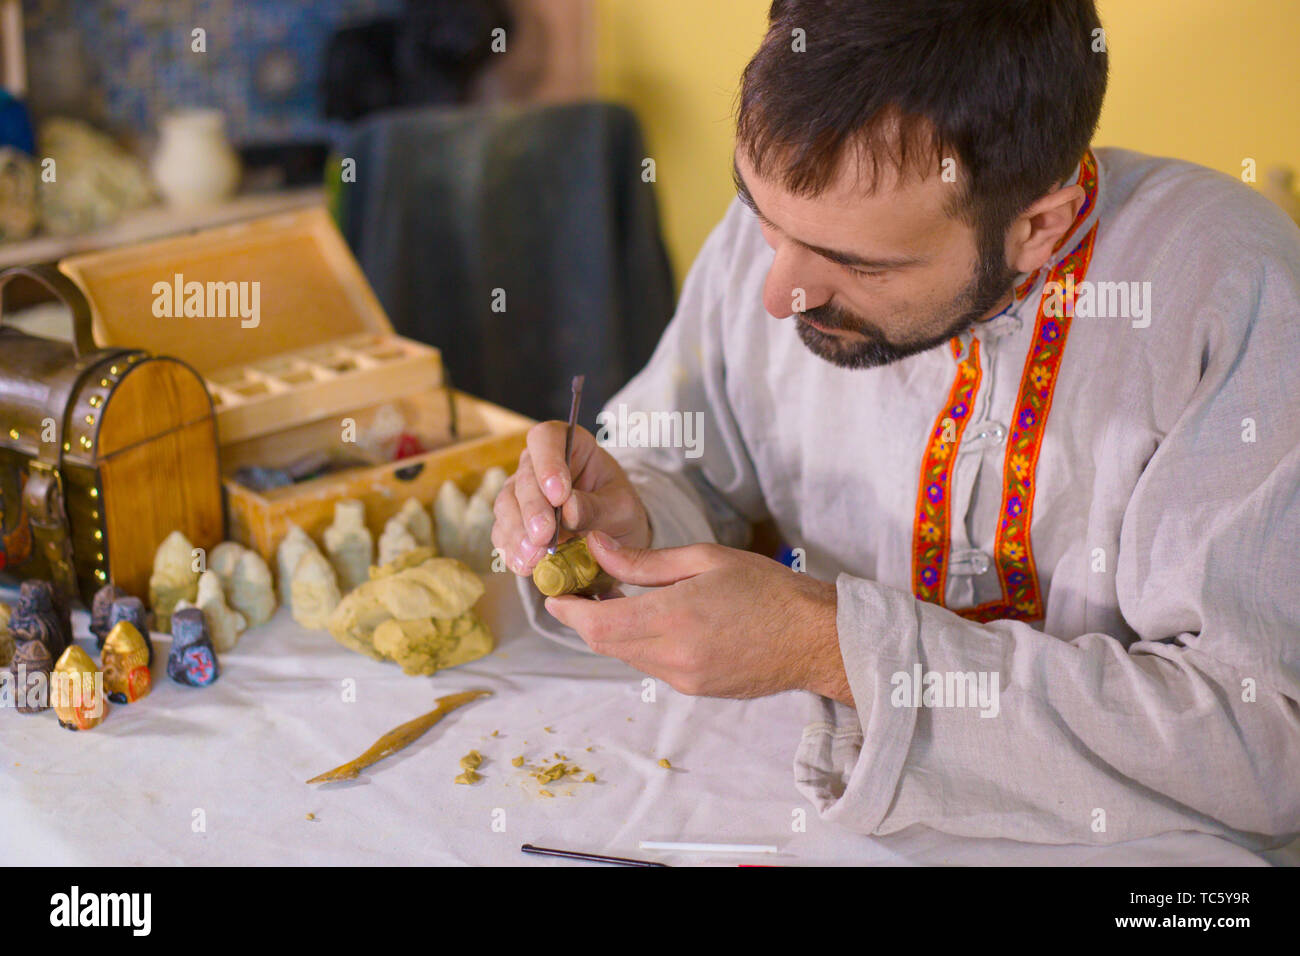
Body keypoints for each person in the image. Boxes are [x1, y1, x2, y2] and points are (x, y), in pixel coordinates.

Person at [491, 0, 1300, 847]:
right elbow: (682, 459)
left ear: (1037, 227)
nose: (779, 296)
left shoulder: (1226, 290)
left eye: (857, 264)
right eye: (764, 225)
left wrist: (827, 647)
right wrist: (634, 516)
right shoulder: (803, 218)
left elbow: (1266, 746)